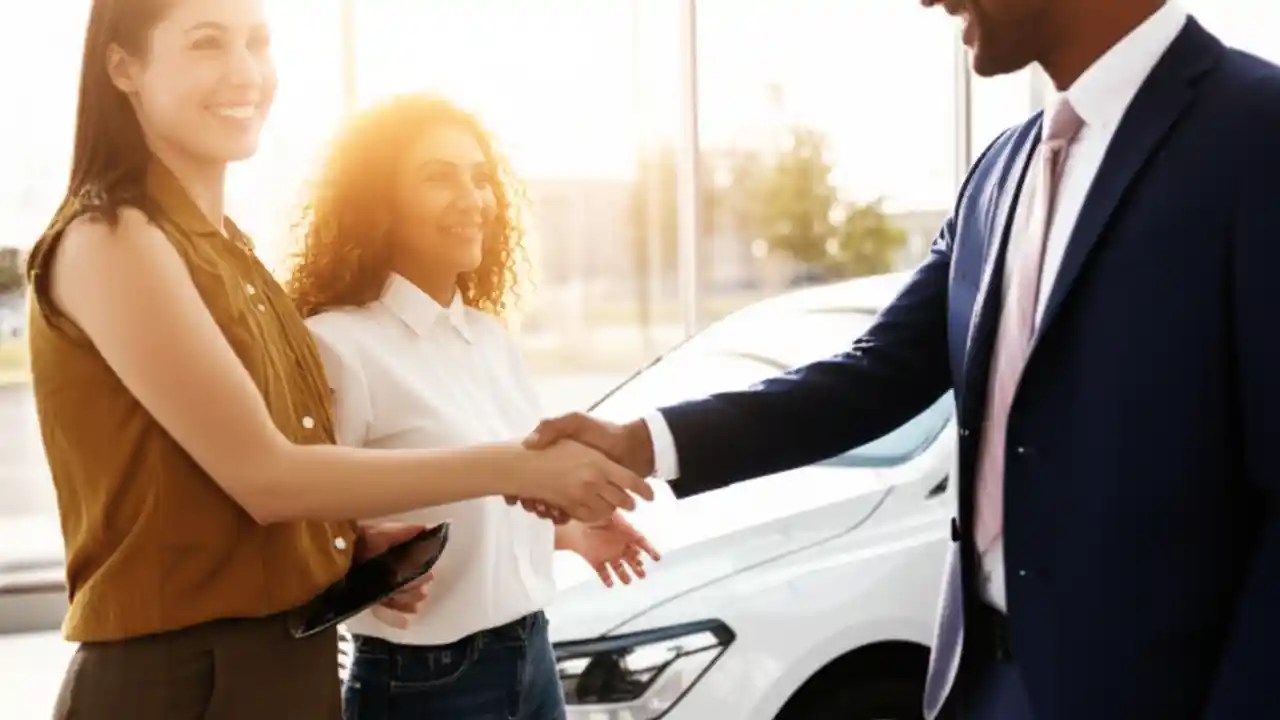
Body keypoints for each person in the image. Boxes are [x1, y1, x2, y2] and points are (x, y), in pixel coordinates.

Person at [522, 0, 1280, 718]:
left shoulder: (1256, 134)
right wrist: (641, 443)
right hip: (982, 683)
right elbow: (873, 376)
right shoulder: (1002, 171)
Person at [25, 1, 651, 718]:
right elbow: (264, 476)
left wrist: (342, 546)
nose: (245, 72)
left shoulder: (231, 254)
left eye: (258, 43)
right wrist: (521, 466)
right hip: (182, 677)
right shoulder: (114, 238)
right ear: (121, 65)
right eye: (206, 43)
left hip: (279, 661)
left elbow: (233, 492)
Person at [288, 94, 662, 720]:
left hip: (532, 655)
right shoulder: (337, 344)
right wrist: (360, 567)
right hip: (423, 685)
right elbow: (301, 518)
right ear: (379, 203)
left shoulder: (488, 337)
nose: (473, 198)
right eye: (439, 176)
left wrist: (569, 533)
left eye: (480, 177)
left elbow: (492, 491)